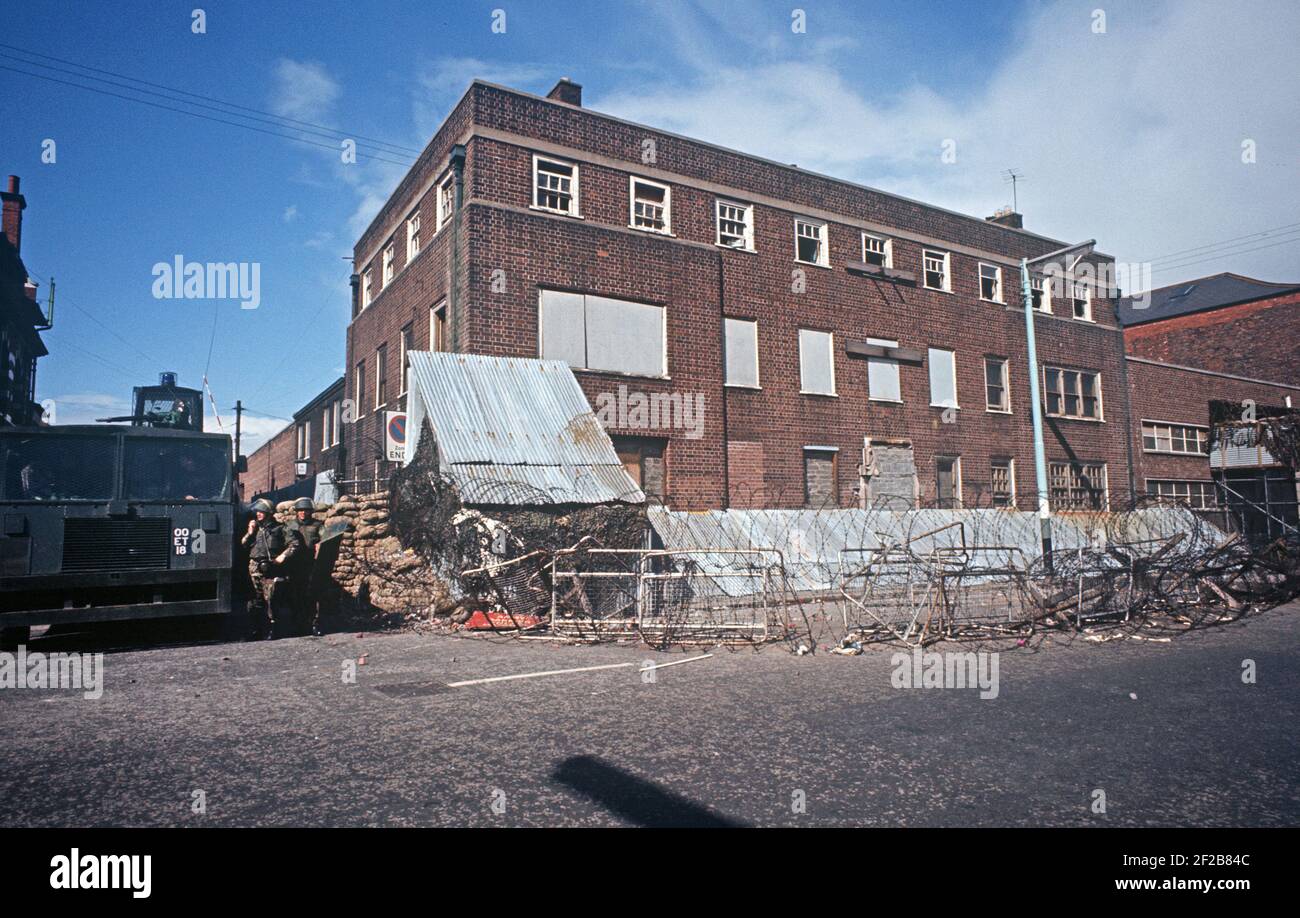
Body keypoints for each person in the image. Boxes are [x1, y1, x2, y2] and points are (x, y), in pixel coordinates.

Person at [241, 498, 303, 640]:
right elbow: (244, 544)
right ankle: (255, 630)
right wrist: (250, 532)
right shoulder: (256, 528)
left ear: (268, 513)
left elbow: (294, 544)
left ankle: (272, 630)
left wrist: (283, 556)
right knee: (255, 600)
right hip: (254, 567)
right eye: (257, 512)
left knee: (271, 599)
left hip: (271, 567)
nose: (258, 514)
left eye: (261, 512)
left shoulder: (280, 528)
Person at [288, 497, 324, 635]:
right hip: (294, 564)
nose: (303, 513)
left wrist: (321, 544)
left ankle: (314, 624)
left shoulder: (317, 525)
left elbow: (325, 537)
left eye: (306, 510)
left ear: (310, 511)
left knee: (312, 594)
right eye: (300, 510)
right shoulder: (290, 525)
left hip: (310, 563)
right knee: (295, 594)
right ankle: (296, 625)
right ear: (296, 512)